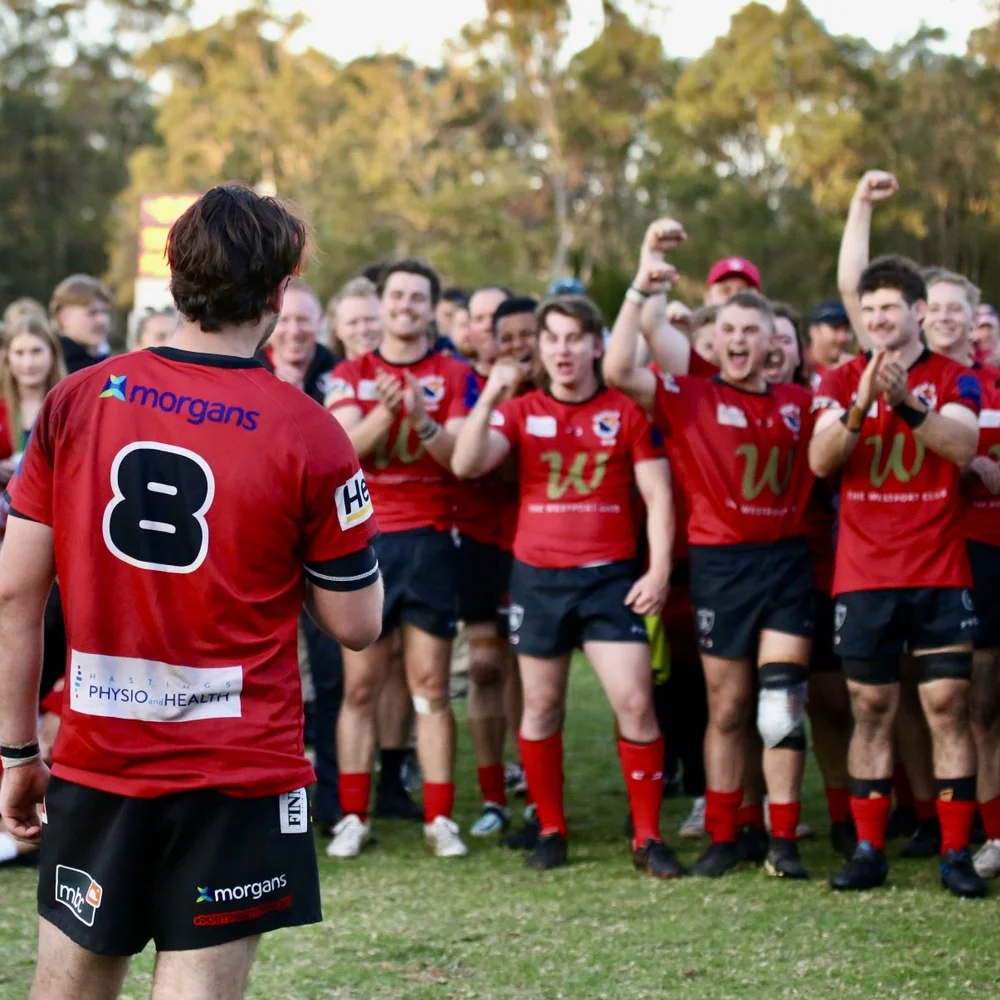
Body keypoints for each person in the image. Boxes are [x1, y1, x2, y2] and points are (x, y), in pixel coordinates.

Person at [0, 184, 383, 999]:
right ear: (279, 291)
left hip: (99, 755)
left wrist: (16, 752)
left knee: (67, 986)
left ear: (175, 277)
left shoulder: (77, 399)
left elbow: (13, 596)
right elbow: (357, 622)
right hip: (236, 770)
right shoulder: (310, 430)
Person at [606, 219, 817, 880]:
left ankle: (783, 839)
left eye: (752, 330)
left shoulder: (802, 403)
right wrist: (641, 281)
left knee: (780, 704)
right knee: (726, 708)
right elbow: (617, 368)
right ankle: (727, 835)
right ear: (714, 340)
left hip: (786, 564)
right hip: (721, 568)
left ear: (774, 342)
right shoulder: (690, 394)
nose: (740, 340)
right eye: (728, 330)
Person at [453, 294, 683, 878]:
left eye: (575, 338)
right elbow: (467, 463)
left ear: (596, 346)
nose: (562, 350)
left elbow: (658, 495)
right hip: (539, 579)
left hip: (609, 579)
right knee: (542, 705)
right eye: (552, 338)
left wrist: (657, 570)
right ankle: (551, 828)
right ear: (540, 346)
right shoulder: (520, 409)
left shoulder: (625, 412)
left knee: (635, 702)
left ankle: (648, 836)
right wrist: (491, 394)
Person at [809, 253, 985, 898]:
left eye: (890, 307)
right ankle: (867, 849)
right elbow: (821, 460)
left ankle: (956, 852)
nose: (879, 319)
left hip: (938, 567)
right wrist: (859, 407)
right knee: (872, 706)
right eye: (870, 309)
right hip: (865, 573)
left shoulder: (957, 377)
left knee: (947, 706)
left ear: (917, 312)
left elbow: (963, 447)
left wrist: (906, 405)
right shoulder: (837, 379)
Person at [325, 259, 473, 859]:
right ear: (381, 303)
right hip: (366, 542)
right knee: (361, 686)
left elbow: (460, 458)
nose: (406, 305)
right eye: (397, 295)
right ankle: (354, 815)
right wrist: (388, 411)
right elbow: (340, 450)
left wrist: (421, 417)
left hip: (432, 542)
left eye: (417, 297)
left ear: (432, 308)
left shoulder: (455, 373)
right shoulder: (349, 373)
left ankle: (439, 817)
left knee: (431, 685)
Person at [452, 289, 521, 838]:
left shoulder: (550, 383)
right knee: (483, 666)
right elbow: (463, 461)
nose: (513, 343)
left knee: (528, 663)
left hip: (531, 540)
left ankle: (529, 777)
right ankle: (493, 793)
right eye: (494, 328)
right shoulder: (462, 381)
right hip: (475, 538)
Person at [258, 280, 337, 404]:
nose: (294, 331)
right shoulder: (246, 372)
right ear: (267, 323)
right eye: (283, 320)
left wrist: (300, 401)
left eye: (302, 319)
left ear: (320, 321)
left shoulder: (340, 372)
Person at [48, 274, 113, 374]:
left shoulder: (101, 360)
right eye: (92, 312)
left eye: (105, 312)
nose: (102, 320)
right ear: (64, 316)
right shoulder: (51, 366)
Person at [327, 277, 382, 360]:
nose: (363, 330)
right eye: (353, 322)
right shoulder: (328, 368)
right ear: (337, 330)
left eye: (370, 319)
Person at [807, 301, 854, 386]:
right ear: (814, 331)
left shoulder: (854, 370)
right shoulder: (798, 367)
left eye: (847, 330)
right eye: (835, 329)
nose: (843, 338)